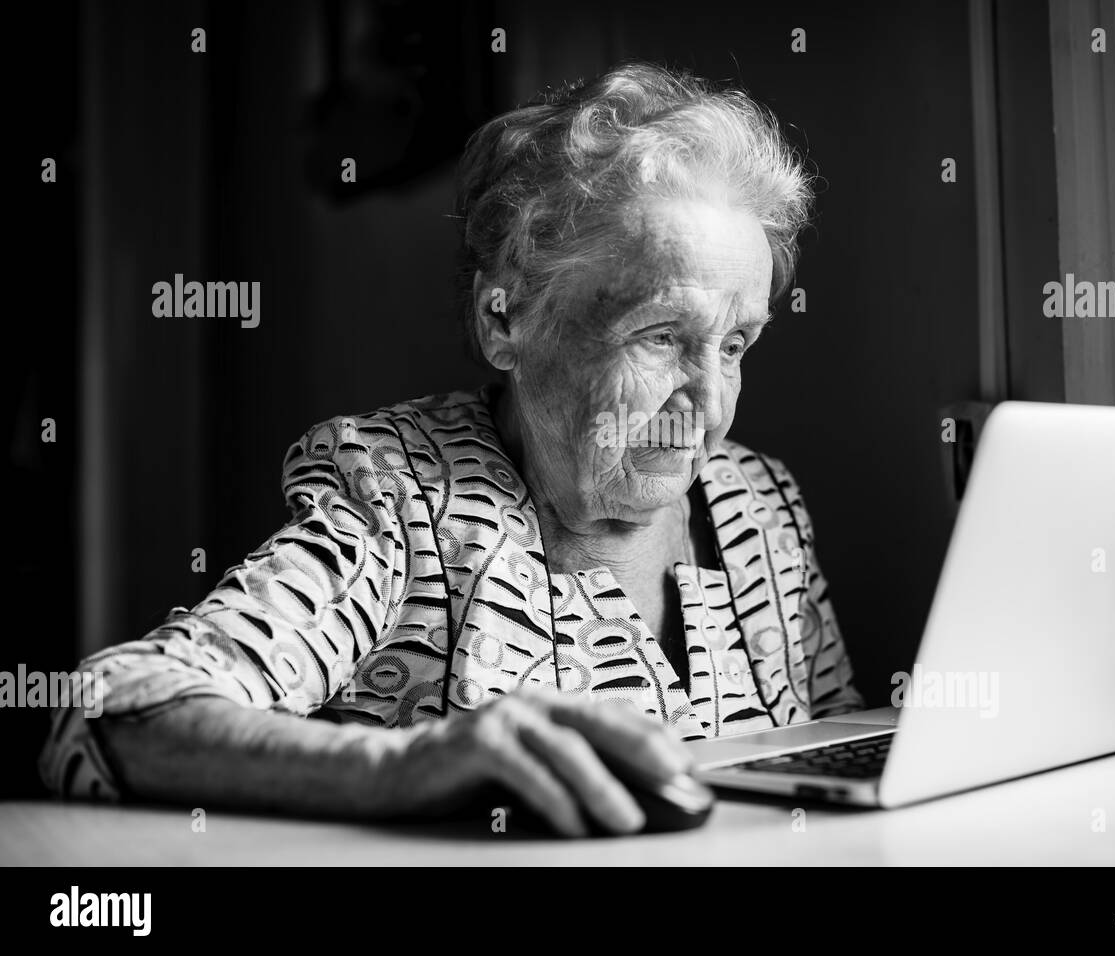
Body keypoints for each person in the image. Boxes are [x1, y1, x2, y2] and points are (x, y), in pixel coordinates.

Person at [40, 62, 864, 837]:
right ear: (503, 319)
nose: (712, 407)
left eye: (735, 345)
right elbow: (111, 711)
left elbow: (846, 767)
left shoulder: (759, 505)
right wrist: (403, 767)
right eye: (659, 336)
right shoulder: (399, 497)